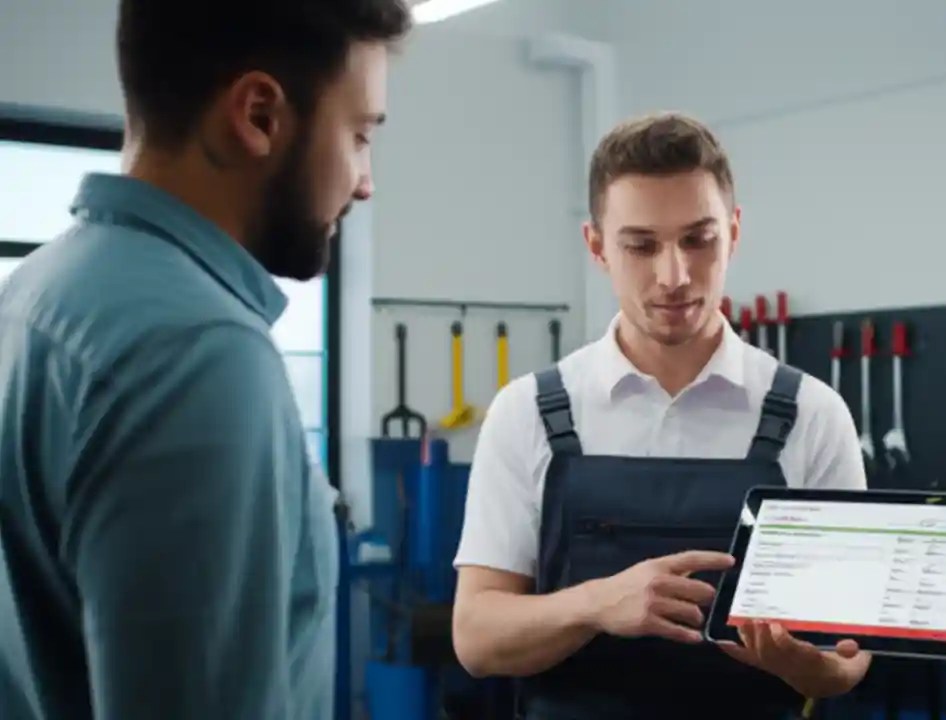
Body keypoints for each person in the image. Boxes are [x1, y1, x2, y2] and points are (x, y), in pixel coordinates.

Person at [0, 2, 411, 719]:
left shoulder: (36, 292)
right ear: (258, 114)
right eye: (357, 135)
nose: (365, 180)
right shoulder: (198, 352)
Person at [451, 111, 873, 720]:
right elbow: (475, 637)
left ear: (733, 231)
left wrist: (797, 662)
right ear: (597, 246)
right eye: (641, 245)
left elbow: (850, 659)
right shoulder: (528, 414)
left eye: (698, 240)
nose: (673, 276)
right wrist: (599, 603)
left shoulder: (813, 414)